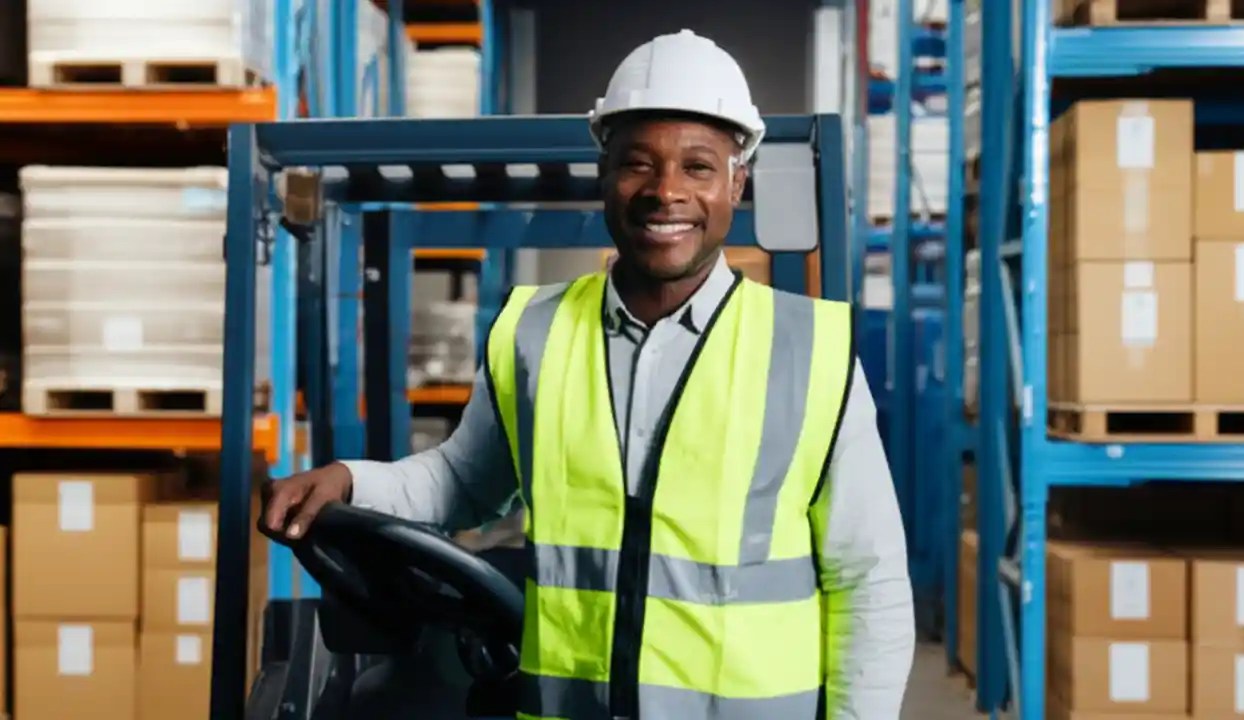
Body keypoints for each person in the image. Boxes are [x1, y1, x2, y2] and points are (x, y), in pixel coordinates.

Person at [261, 28, 915, 719]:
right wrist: (351, 481)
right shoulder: (534, 334)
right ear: (605, 173)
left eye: (698, 166)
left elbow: (868, 581)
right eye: (639, 163)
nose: (665, 192)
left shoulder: (809, 349)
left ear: (736, 183)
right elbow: (460, 482)